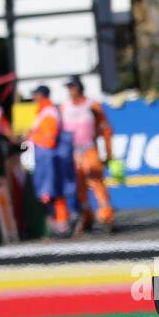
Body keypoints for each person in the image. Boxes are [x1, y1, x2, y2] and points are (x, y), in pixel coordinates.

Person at [61, 76, 115, 233]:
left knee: (96, 182)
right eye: (69, 87)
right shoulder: (64, 107)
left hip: (90, 149)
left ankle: (106, 216)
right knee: (79, 188)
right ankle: (87, 218)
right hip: (73, 151)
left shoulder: (92, 105)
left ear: (79, 87)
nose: (71, 91)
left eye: (73, 87)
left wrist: (108, 152)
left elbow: (105, 129)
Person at [28, 85, 73, 237]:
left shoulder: (48, 111)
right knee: (50, 192)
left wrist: (30, 137)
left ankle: (60, 226)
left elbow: (49, 140)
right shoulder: (43, 111)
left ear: (41, 95)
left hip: (49, 158)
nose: (33, 97)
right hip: (45, 158)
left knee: (51, 193)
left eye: (35, 94)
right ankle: (58, 225)